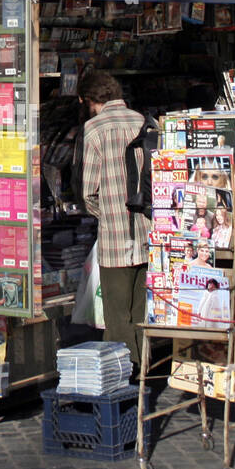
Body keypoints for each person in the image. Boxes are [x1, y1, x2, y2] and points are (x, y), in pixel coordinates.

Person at [78, 70, 149, 369]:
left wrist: (104, 214)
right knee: (141, 312)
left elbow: (89, 191)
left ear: (90, 100)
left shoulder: (94, 128)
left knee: (116, 315)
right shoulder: (144, 122)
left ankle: (126, 376)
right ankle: (144, 367)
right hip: (147, 233)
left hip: (114, 238)